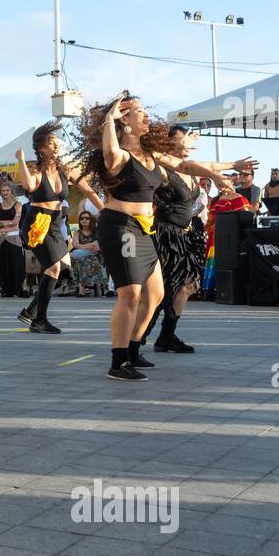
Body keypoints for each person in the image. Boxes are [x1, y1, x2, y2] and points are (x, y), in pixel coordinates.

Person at [79, 94, 243, 381]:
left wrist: (223, 170)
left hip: (144, 228)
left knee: (155, 294)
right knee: (130, 294)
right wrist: (108, 119)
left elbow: (187, 167)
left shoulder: (150, 155)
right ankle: (118, 362)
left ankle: (132, 349)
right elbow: (109, 155)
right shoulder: (120, 155)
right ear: (124, 122)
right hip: (121, 227)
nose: (146, 117)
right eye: (139, 113)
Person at [145, 126, 235, 353]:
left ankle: (166, 335)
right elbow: (156, 156)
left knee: (187, 285)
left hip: (187, 234)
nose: (188, 143)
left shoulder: (191, 170)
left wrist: (233, 165)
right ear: (169, 143)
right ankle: (136, 339)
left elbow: (210, 166)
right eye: (182, 139)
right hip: (167, 235)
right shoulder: (164, 168)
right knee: (162, 289)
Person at [15, 123, 102, 333]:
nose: (56, 147)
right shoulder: (36, 171)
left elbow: (89, 191)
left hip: (56, 223)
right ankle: (39, 320)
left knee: (63, 271)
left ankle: (30, 311)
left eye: (57, 143)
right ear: (42, 148)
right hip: (37, 223)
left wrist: (105, 209)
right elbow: (28, 184)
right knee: (53, 268)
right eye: (52, 143)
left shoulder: (66, 170)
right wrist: (21, 161)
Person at [0, 180, 23, 298]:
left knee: (16, 265)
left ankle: (18, 289)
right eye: (3, 191)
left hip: (14, 238)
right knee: (2, 265)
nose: (5, 193)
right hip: (0, 238)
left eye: (7, 191)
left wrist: (1, 224)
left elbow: (16, 222)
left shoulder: (18, 205)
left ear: (11, 192)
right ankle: (6, 290)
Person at [70, 210, 106, 296]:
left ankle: (81, 290)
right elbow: (75, 244)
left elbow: (97, 247)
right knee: (79, 260)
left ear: (91, 220)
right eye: (82, 218)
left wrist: (84, 246)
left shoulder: (96, 232)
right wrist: (89, 245)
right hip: (83, 255)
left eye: (87, 218)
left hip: (95, 256)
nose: (84, 220)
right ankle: (82, 290)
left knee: (74, 255)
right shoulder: (77, 232)